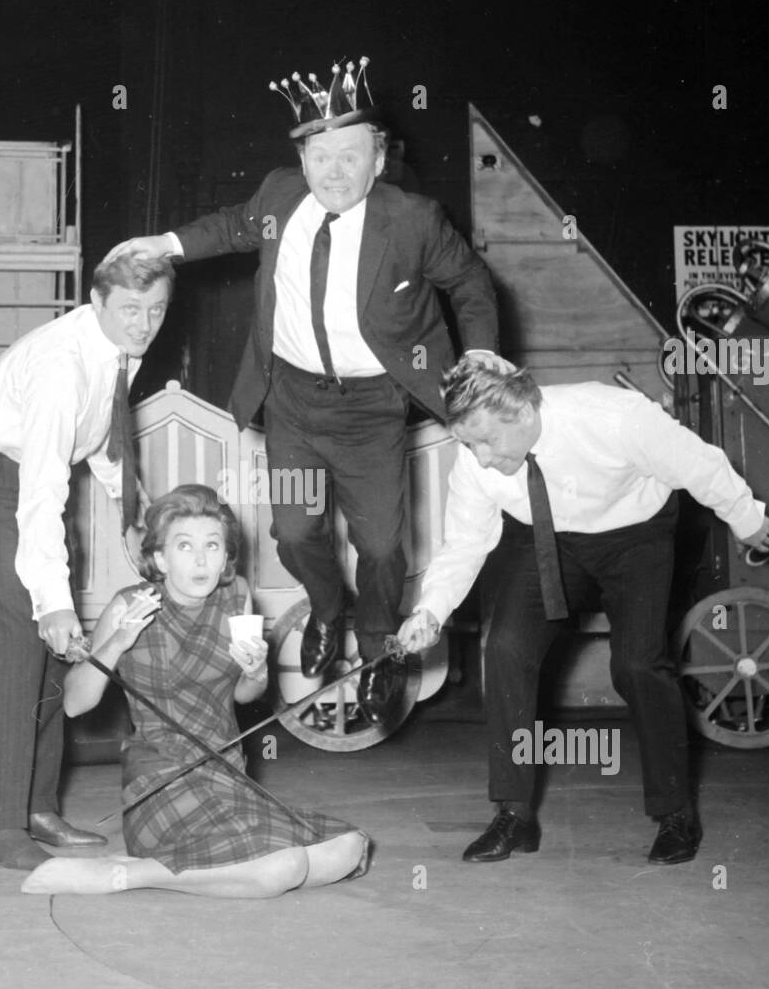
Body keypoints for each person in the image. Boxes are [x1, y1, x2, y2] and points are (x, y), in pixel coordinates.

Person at [106, 57, 498, 732]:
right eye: (320, 155)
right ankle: (325, 607)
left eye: (350, 156)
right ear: (302, 159)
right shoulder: (280, 197)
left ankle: (377, 647)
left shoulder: (412, 221)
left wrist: (484, 355)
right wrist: (162, 242)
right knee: (294, 530)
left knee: (380, 546)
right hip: (292, 402)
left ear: (378, 161)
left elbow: (470, 284)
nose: (334, 172)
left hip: (373, 409)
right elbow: (229, 227)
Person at [397, 354, 769, 865]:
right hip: (547, 537)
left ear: (524, 408)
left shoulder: (613, 416)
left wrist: (746, 517)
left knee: (638, 664)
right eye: (468, 443)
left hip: (635, 536)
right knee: (507, 649)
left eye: (487, 440)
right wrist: (429, 612)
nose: (480, 457)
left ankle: (675, 815)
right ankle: (515, 815)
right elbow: (464, 545)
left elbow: (697, 463)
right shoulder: (476, 463)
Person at [21, 485, 369, 897]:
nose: (201, 559)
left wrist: (256, 670)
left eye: (213, 545)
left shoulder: (236, 596)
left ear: (225, 555)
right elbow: (77, 704)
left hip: (226, 774)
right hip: (161, 781)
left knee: (348, 850)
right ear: (160, 558)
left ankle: (155, 870)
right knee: (284, 867)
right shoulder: (130, 604)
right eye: (185, 546)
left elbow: (245, 695)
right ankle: (129, 874)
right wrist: (119, 641)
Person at [0, 253, 175, 869]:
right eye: (131, 309)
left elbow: (101, 437)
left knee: (50, 658)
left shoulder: (113, 349)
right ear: (97, 302)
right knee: (18, 650)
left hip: (26, 476)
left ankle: (37, 807)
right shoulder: (60, 368)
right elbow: (42, 489)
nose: (144, 323)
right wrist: (52, 602)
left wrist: (129, 510)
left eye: (156, 309)